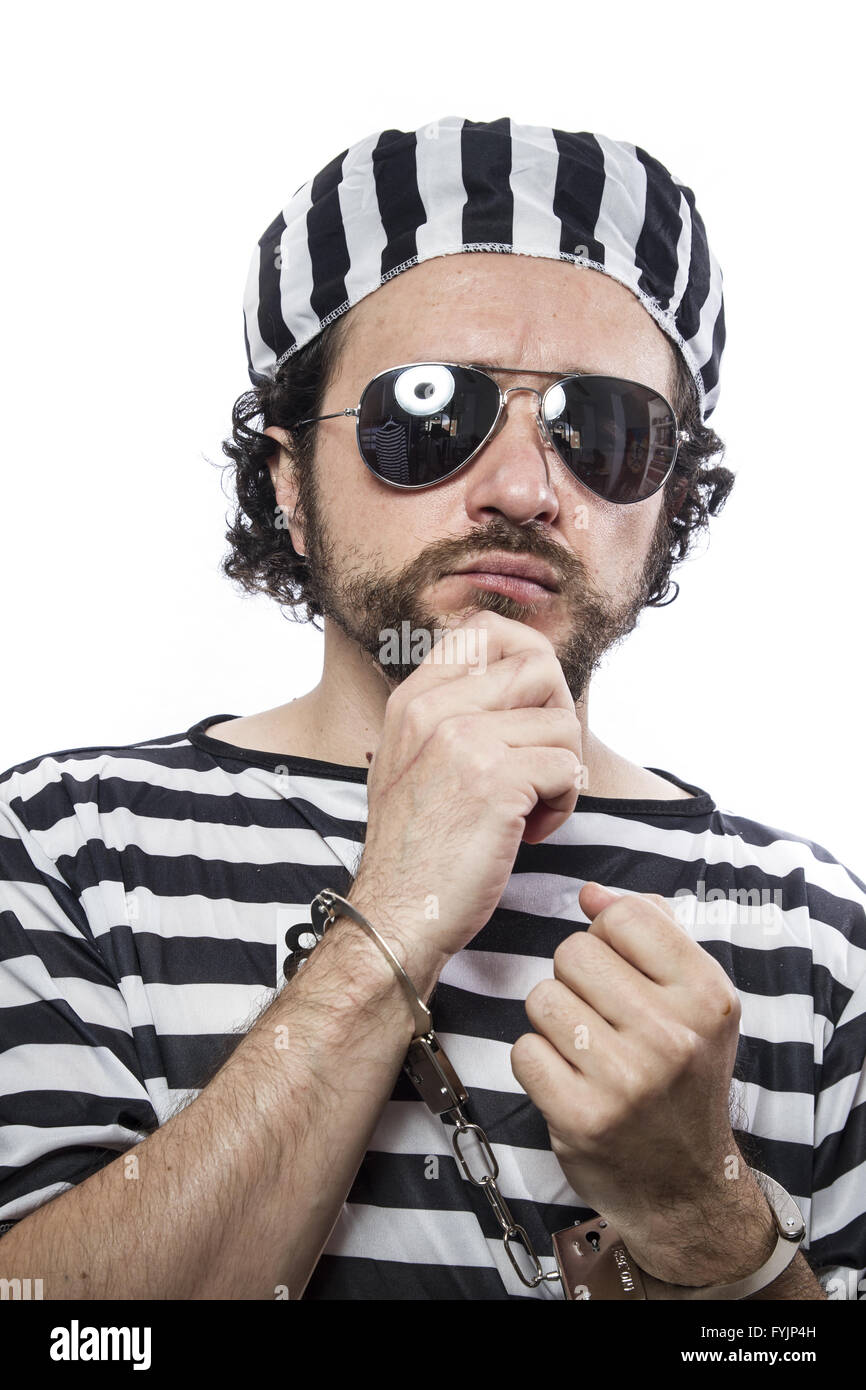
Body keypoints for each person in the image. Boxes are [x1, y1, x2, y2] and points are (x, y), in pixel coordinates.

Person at [0, 117, 862, 1302]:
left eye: (601, 430)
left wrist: (703, 1218)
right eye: (428, 413)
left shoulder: (806, 937)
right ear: (286, 479)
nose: (520, 490)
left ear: (669, 502)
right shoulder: (62, 847)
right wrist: (390, 923)